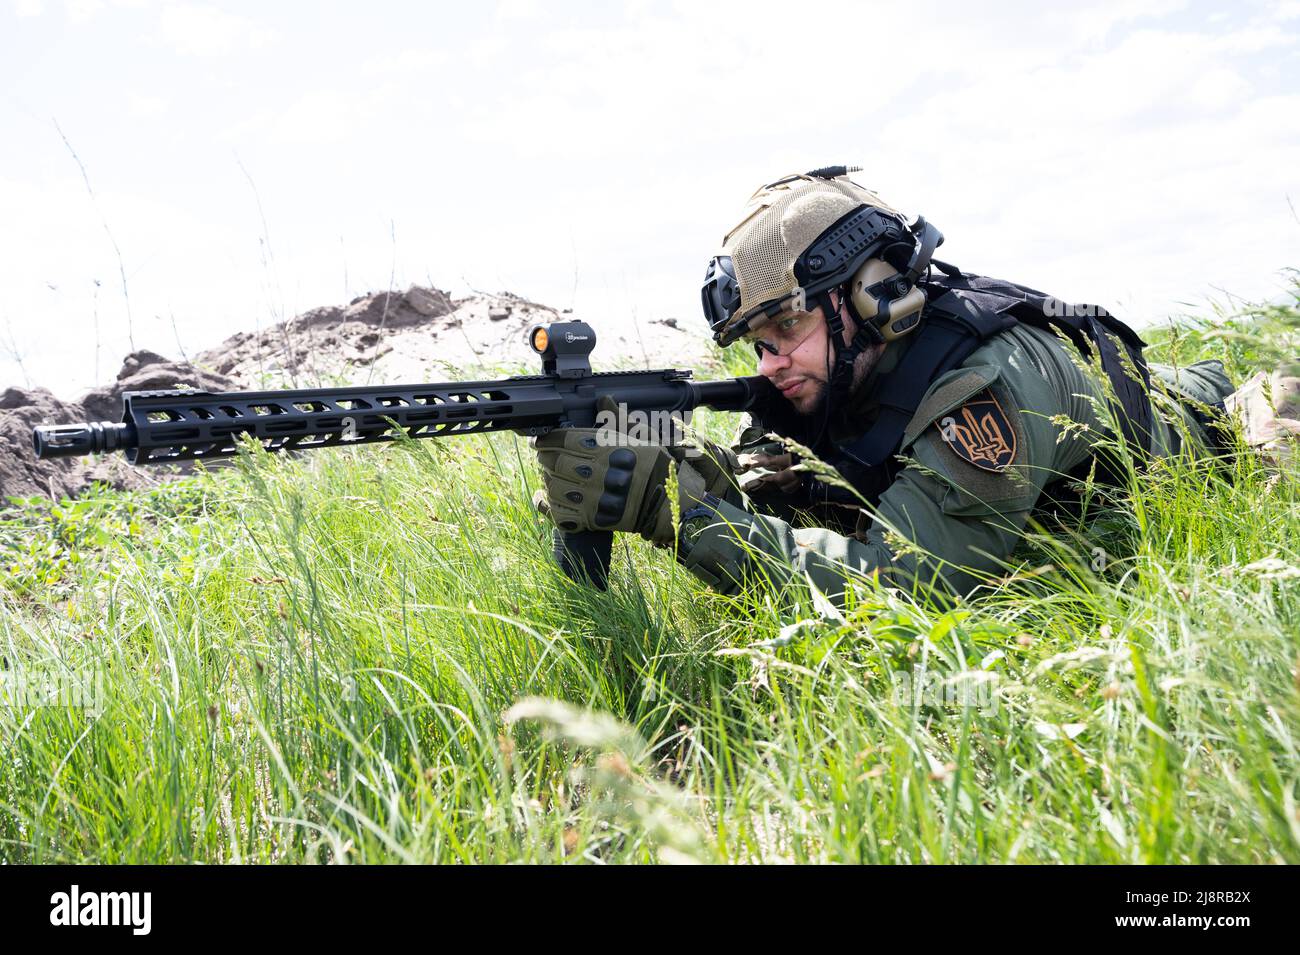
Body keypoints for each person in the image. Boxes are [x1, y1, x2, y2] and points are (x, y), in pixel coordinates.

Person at [533, 167, 1235, 605]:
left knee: (1268, 407)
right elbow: (826, 504)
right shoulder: (833, 378)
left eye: (787, 328)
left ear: (877, 295)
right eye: (758, 344)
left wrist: (684, 520)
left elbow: (906, 589)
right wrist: (703, 480)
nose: (771, 364)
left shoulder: (983, 384)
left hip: (1206, 425)